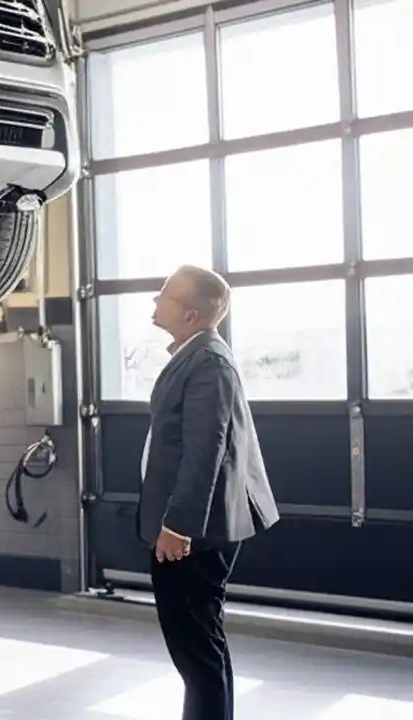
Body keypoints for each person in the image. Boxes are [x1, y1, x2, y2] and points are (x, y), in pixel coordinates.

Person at [141, 265, 280, 720]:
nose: (155, 301)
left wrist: (178, 526)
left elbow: (206, 450)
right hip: (192, 526)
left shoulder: (209, 363)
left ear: (190, 314)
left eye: (165, 295)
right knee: (195, 646)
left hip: (195, 532)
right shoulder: (194, 354)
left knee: (197, 646)